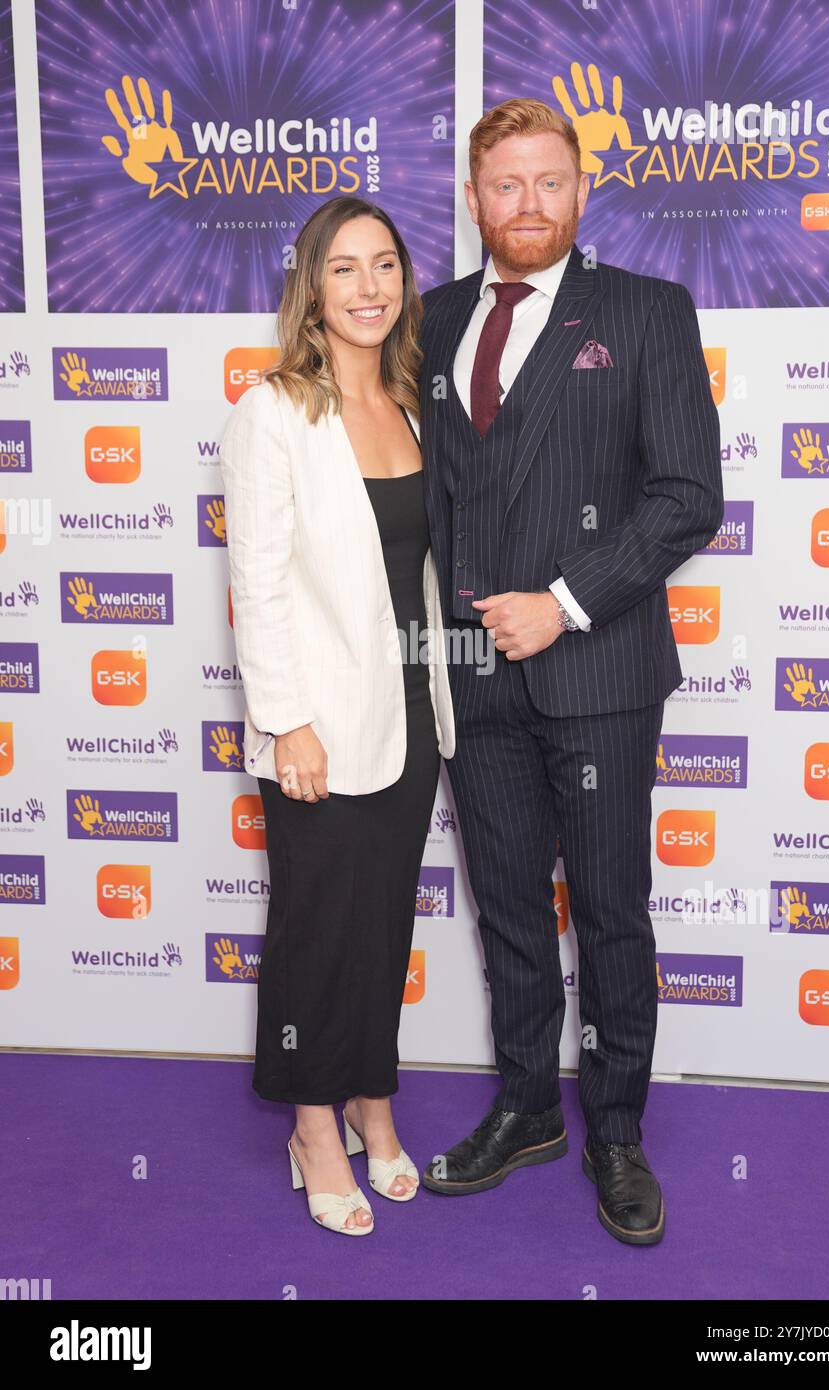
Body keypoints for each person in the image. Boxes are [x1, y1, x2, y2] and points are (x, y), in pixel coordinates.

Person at [418, 98, 723, 1244]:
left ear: (581, 188)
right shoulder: (433, 317)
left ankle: (613, 1128)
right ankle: (521, 1108)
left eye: (549, 182)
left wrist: (561, 601)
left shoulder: (645, 312)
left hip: (596, 669)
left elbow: (688, 496)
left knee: (606, 915)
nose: (528, 205)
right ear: (474, 197)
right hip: (473, 683)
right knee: (504, 912)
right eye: (506, 185)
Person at [218, 196, 455, 1236]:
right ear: (312, 287)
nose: (368, 287)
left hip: (407, 705)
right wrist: (286, 719)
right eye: (345, 268)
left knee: (381, 922)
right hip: (314, 719)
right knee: (317, 931)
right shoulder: (273, 411)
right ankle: (315, 1124)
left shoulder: (409, 400)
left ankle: (373, 1098)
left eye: (386, 266)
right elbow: (257, 582)